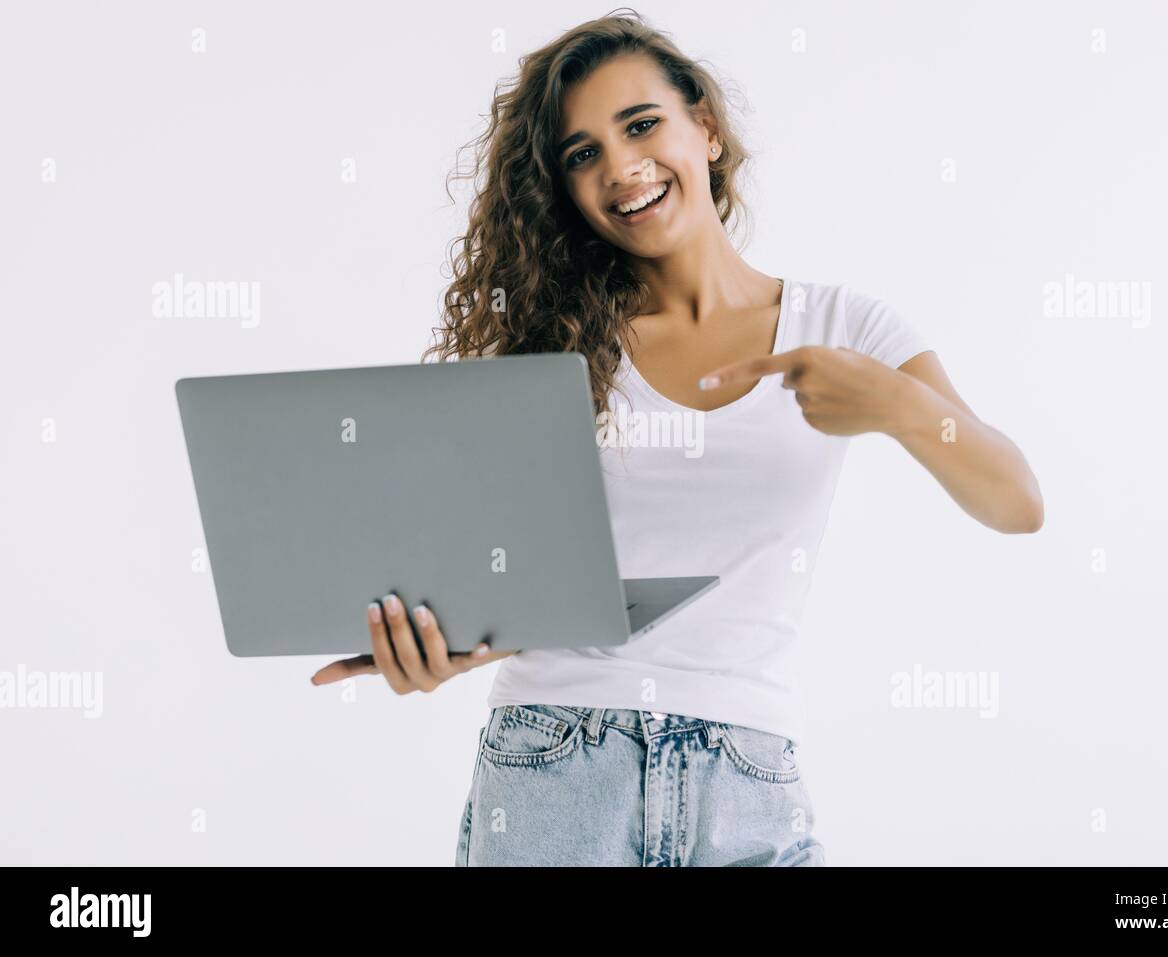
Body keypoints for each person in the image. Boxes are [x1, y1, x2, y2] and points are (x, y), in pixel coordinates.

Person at [311, 10, 1043, 866]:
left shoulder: (846, 326)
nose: (622, 169)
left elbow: (1016, 501)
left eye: (642, 125)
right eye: (583, 154)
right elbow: (515, 589)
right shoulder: (554, 346)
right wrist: (437, 651)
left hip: (748, 778)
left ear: (705, 123)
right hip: (556, 764)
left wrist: (896, 405)